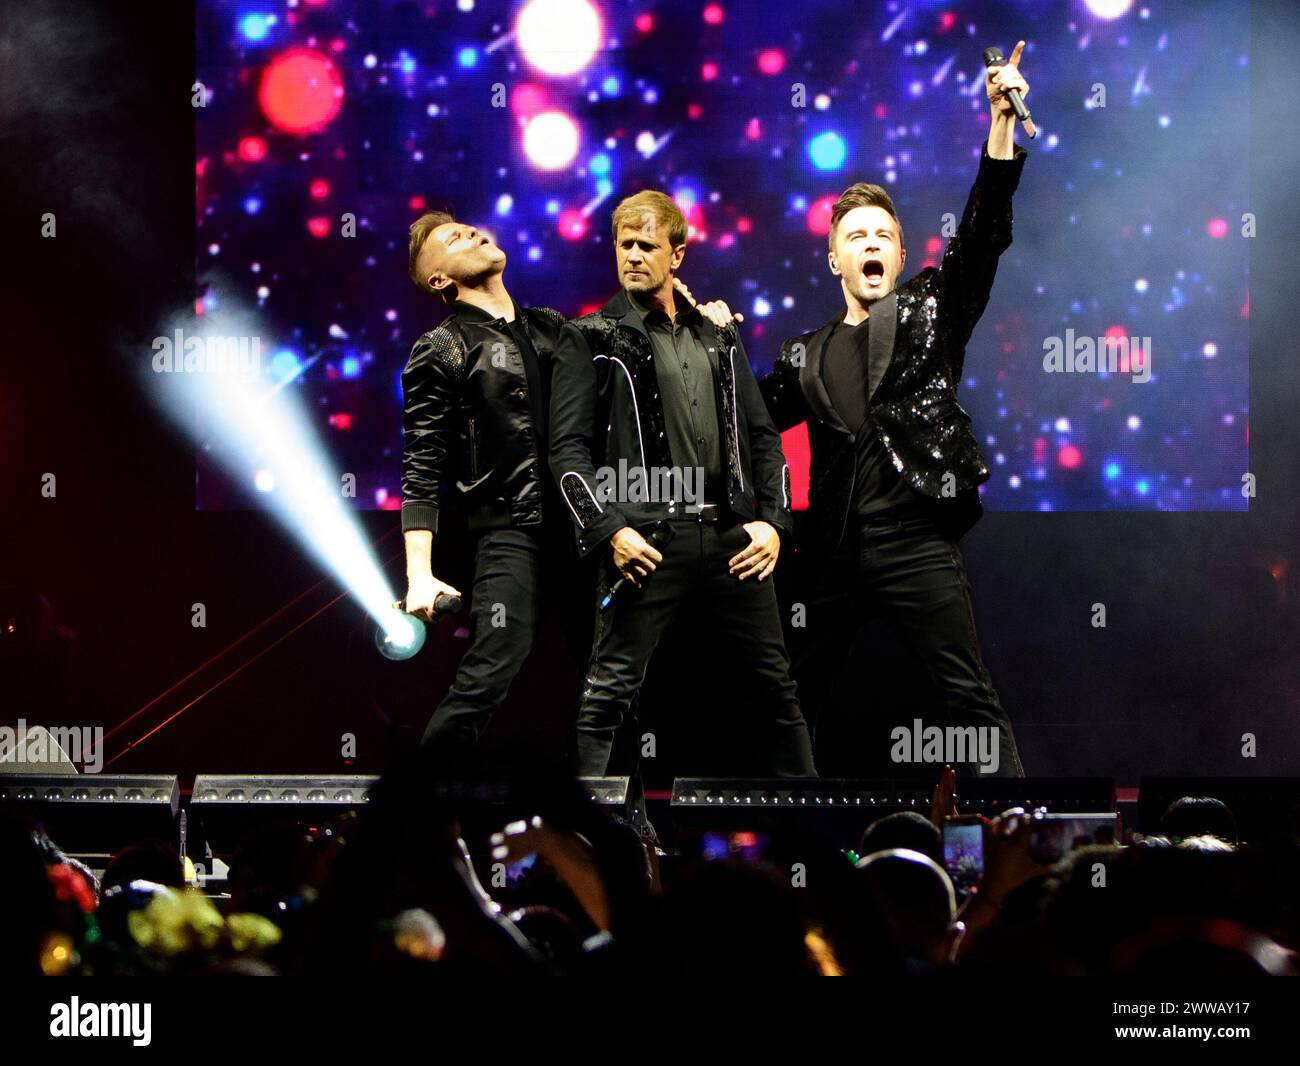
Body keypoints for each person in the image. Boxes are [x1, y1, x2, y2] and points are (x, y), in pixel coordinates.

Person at [759, 42, 1036, 778]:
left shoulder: (931, 309)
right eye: (856, 236)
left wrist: (999, 125)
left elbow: (980, 239)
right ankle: (794, 840)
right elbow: (745, 421)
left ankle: (1012, 840)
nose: (871, 243)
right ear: (835, 260)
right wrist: (704, 332)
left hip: (916, 538)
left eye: (883, 234)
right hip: (836, 549)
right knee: (790, 690)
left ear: (902, 250)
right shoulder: (802, 355)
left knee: (967, 696)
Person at [401, 211, 738, 776]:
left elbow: (621, 323)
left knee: (612, 679)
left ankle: (620, 832)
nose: (476, 234)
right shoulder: (442, 348)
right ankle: (416, 814)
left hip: (585, 531)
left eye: (472, 228)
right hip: (511, 532)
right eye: (455, 240)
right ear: (439, 280)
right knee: (492, 667)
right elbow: (422, 463)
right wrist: (419, 574)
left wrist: (693, 315)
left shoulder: (553, 328)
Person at [548, 190, 817, 781]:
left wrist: (774, 521)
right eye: (625, 245)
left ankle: (816, 838)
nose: (634, 256)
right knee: (608, 693)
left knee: (776, 690)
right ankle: (588, 841)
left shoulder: (719, 336)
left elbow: (763, 436)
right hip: (645, 538)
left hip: (730, 537)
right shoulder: (589, 336)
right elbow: (566, 451)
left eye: (648, 245)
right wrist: (609, 531)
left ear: (678, 254)